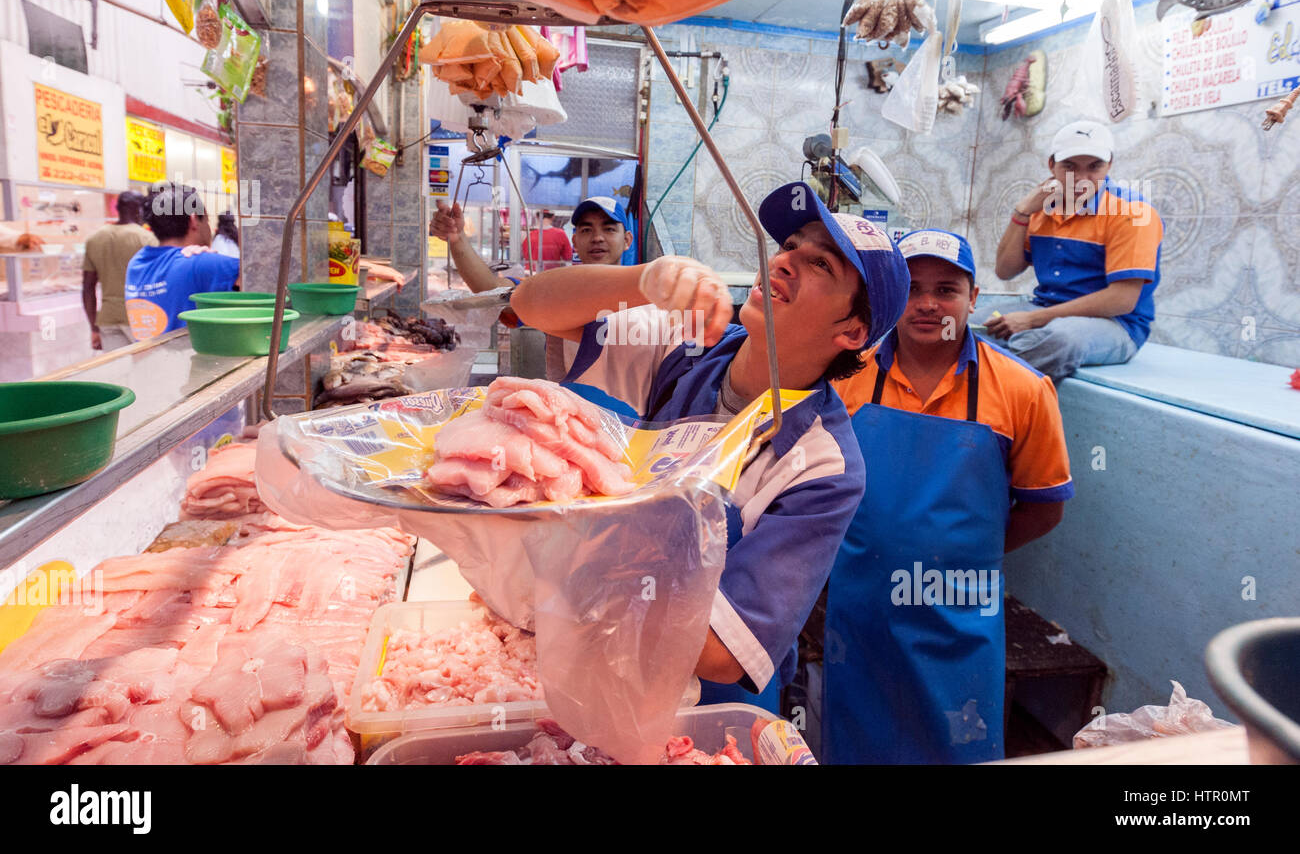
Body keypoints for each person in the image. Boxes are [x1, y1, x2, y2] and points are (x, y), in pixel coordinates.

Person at [511, 181, 910, 710]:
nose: (785, 262)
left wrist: (576, 562)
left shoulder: (822, 463)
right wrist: (642, 278)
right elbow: (530, 306)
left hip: (700, 710)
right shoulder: (686, 345)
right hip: (594, 661)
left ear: (854, 332)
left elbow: (724, 649)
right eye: (792, 247)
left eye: (822, 266)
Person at [823, 228, 1073, 764]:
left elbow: (1044, 507)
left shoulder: (1024, 390)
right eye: (911, 288)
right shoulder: (846, 375)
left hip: (959, 612)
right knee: (857, 740)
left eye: (946, 289)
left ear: (974, 298)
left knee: (957, 743)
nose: (927, 304)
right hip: (859, 607)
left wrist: (964, 556)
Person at [977, 119, 1163, 381]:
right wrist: (1022, 212)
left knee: (1060, 340)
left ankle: (990, 398)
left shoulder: (1132, 212)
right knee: (966, 325)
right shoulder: (1042, 208)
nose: (1082, 179)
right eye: (1070, 167)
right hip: (1046, 309)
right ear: (1051, 165)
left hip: (1117, 325)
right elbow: (1005, 271)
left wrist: (1033, 321)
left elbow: (1122, 300)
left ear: (1109, 164)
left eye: (1094, 167)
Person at [430, 196, 636, 380]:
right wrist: (457, 239)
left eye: (609, 229)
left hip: (637, 420)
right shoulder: (557, 291)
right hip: (571, 415)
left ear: (627, 240)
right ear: (574, 241)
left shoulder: (646, 294)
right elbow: (490, 288)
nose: (597, 237)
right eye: (586, 229)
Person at [124, 183, 239, 341]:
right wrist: (207, 259)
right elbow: (269, 277)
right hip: (192, 362)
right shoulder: (203, 263)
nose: (209, 228)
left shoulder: (137, 263)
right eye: (206, 219)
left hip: (149, 362)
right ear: (194, 220)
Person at [83, 191, 157, 352]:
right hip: (141, 318)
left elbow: (88, 287)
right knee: (148, 371)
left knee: (117, 373)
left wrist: (94, 328)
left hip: (108, 319)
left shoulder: (94, 239)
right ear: (140, 210)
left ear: (118, 208)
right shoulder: (147, 239)